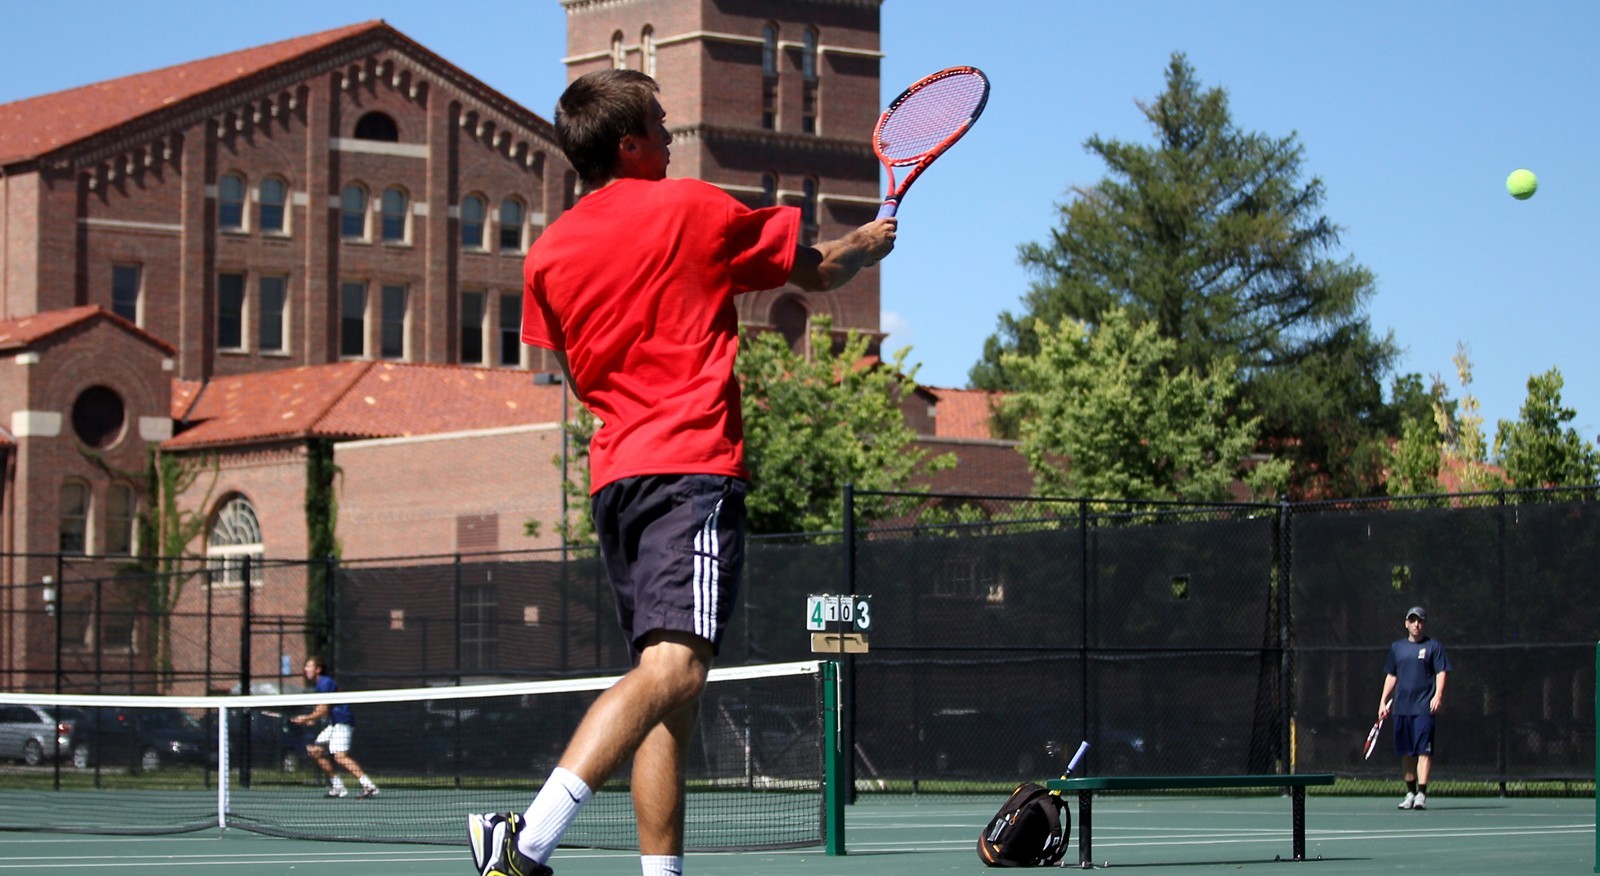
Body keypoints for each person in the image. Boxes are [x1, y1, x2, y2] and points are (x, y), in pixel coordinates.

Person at [467, 68, 895, 876]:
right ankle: (524, 840)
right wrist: (865, 247)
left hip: (616, 480)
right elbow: (818, 271)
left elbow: (572, 367)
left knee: (669, 695)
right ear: (629, 145)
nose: (671, 138)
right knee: (676, 668)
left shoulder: (547, 255)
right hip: (690, 470)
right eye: (660, 126)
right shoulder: (695, 208)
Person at [1377, 606, 1449, 811]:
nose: (1416, 624)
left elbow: (1441, 672)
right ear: (1406, 623)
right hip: (1402, 708)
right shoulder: (1397, 648)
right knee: (1407, 753)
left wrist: (1438, 695)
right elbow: (1392, 675)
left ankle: (1421, 794)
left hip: (1424, 708)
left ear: (1424, 624)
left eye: (1420, 621)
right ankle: (1410, 793)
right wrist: (1383, 701)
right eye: (1413, 620)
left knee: (1423, 752)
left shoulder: (1434, 647)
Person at [293, 655, 378, 799]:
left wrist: (307, 718)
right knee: (315, 751)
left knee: (340, 757)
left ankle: (369, 786)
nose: (305, 669)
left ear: (318, 669)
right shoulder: (319, 685)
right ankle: (338, 787)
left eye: (309, 666)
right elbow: (321, 708)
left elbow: (324, 709)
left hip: (343, 722)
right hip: (334, 724)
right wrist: (311, 718)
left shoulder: (325, 682)